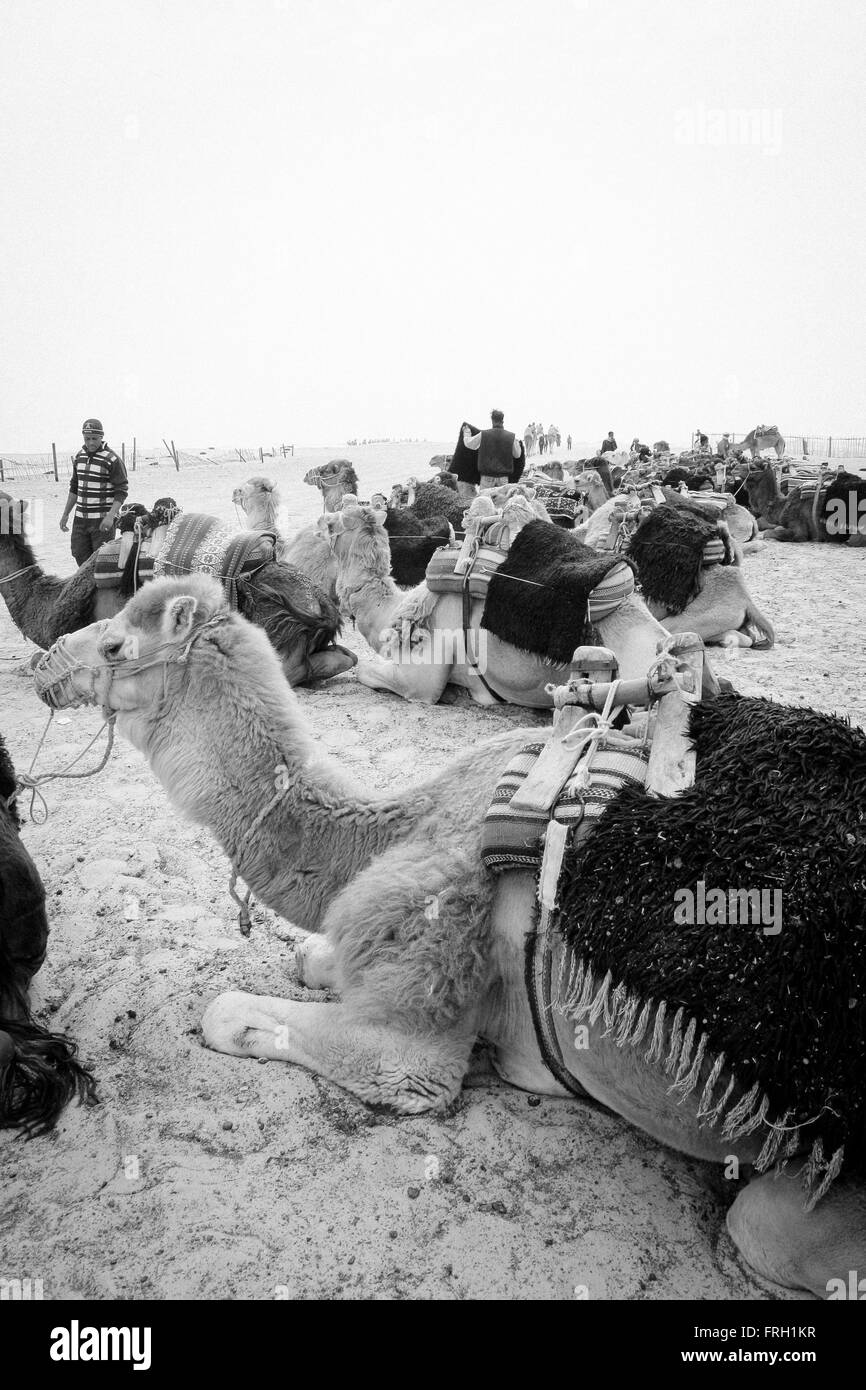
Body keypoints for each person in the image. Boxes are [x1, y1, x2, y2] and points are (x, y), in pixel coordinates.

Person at [60, 419, 129, 565]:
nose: (91, 442)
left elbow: (121, 491)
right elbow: (74, 487)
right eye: (87, 439)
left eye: (94, 439)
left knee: (100, 560)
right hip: (80, 519)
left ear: (101, 437)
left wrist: (111, 516)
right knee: (79, 554)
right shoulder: (79, 457)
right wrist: (66, 514)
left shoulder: (112, 459)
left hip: (102, 519)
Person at [462, 409, 523, 488]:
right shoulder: (511, 436)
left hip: (487, 476)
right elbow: (517, 455)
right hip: (503, 478)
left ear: (492, 421)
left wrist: (467, 432)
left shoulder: (483, 434)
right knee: (502, 500)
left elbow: (469, 443)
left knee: (485, 499)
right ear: (502, 421)